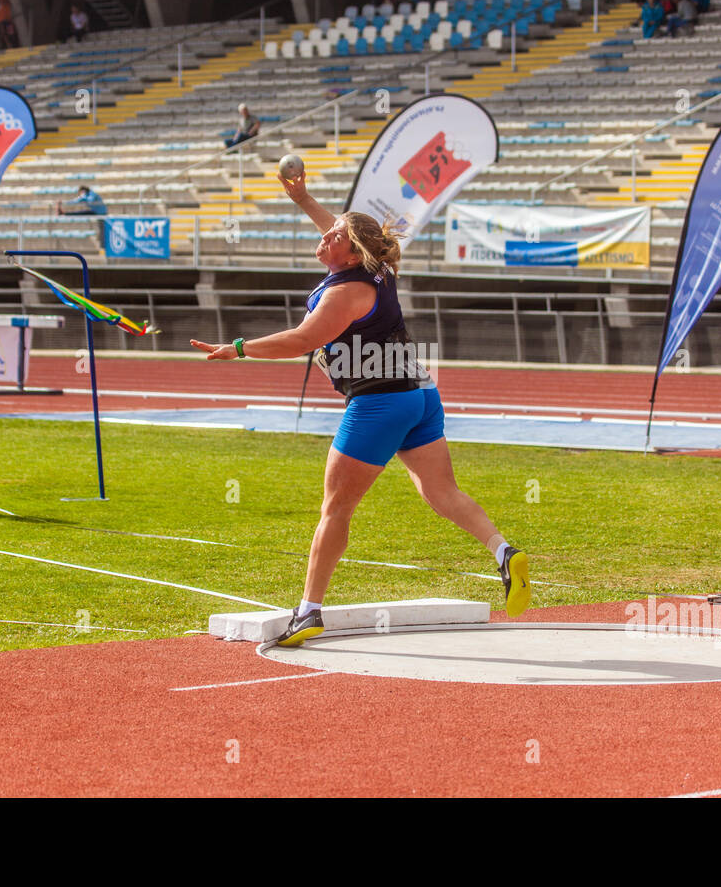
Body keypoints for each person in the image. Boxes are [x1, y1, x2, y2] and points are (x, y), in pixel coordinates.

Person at [189, 168, 532, 647]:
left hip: (379, 404)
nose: (325, 235)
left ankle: (308, 612)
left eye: (335, 236)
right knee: (441, 493)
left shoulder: (345, 292)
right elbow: (340, 230)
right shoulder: (376, 269)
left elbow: (304, 339)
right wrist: (305, 200)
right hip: (419, 395)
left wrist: (240, 347)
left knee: (336, 509)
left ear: (351, 251)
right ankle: (503, 551)